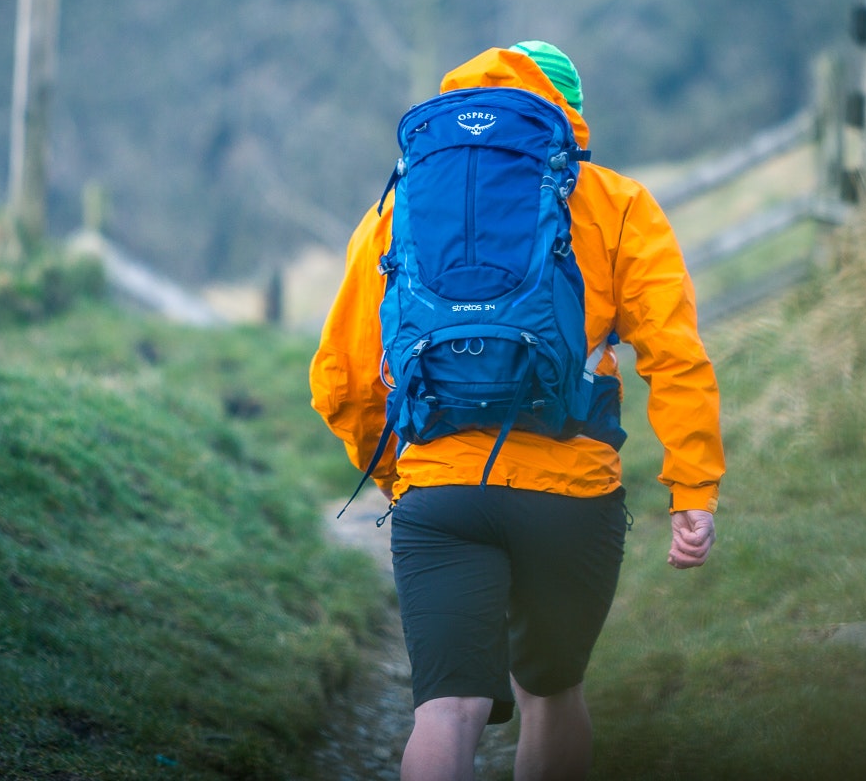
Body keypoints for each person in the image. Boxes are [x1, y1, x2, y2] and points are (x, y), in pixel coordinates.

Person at [310, 42, 724, 781]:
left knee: (446, 711)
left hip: (440, 492)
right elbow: (676, 356)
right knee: (553, 695)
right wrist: (693, 487)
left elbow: (340, 377)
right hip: (573, 498)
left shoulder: (402, 205)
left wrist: (391, 469)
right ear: (571, 116)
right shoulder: (618, 202)